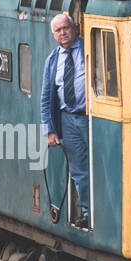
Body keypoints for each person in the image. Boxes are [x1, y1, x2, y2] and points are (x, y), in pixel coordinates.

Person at [40, 12, 90, 228]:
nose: (63, 33)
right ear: (53, 34)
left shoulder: (90, 49)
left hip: (91, 117)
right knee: (79, 170)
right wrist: (49, 130)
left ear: (74, 28)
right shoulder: (52, 60)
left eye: (66, 28)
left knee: (98, 166)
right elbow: (46, 97)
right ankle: (88, 212)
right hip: (67, 119)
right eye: (58, 30)